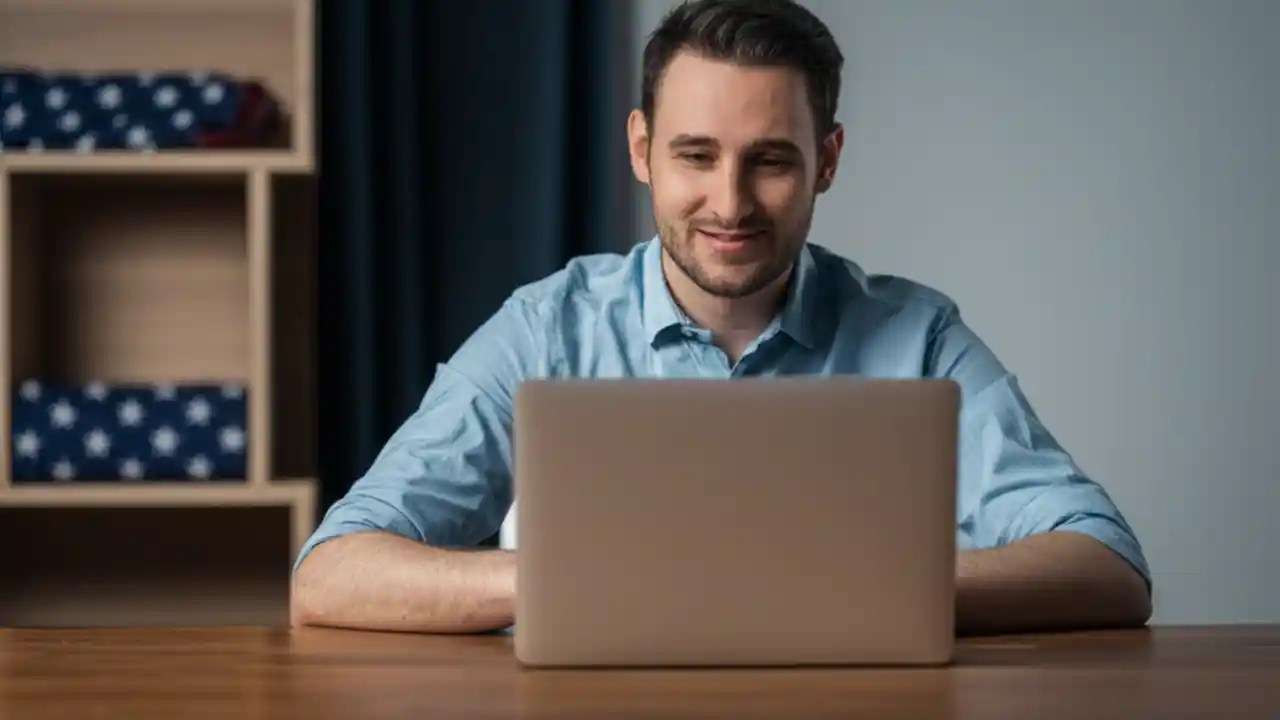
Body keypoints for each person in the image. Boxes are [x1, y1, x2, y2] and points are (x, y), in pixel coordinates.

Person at [291, 0, 1152, 636]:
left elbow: (1107, 567)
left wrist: (846, 589)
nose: (729, 203)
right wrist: (580, 582)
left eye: (771, 160)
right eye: (695, 156)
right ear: (641, 151)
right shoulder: (544, 329)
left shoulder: (918, 336)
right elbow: (332, 575)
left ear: (828, 160)